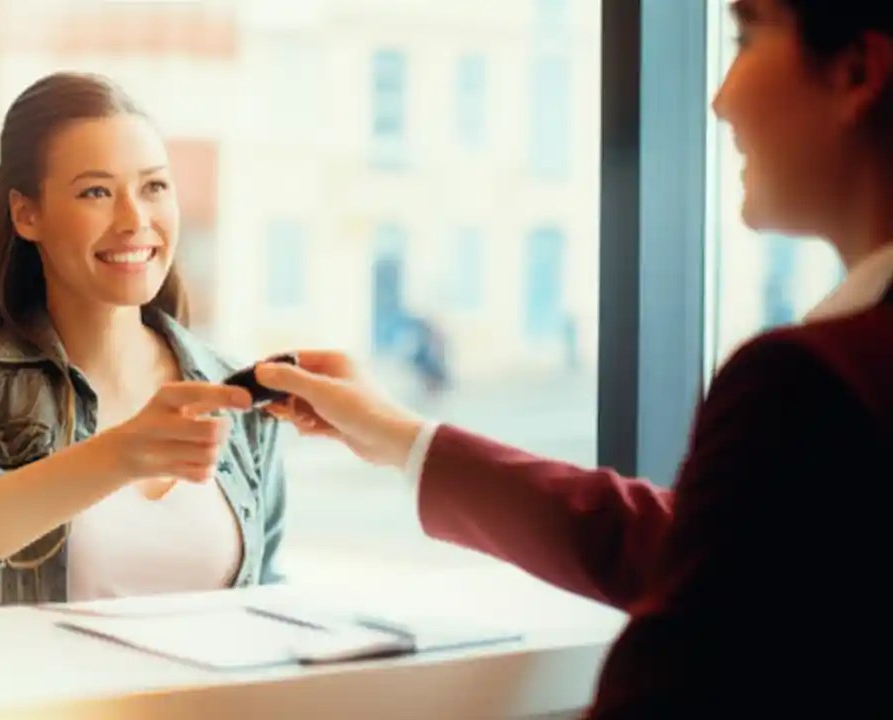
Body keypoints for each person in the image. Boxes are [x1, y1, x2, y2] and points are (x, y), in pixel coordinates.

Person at [253, 0, 892, 715]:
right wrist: (404, 440)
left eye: (745, 36)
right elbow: (688, 547)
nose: (719, 98)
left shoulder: (811, 382)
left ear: (857, 71)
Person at [0, 72, 286, 608]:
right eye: (97, 192)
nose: (135, 220)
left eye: (154, 187)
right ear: (26, 213)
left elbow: (264, 598)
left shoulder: (233, 391)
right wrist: (118, 456)